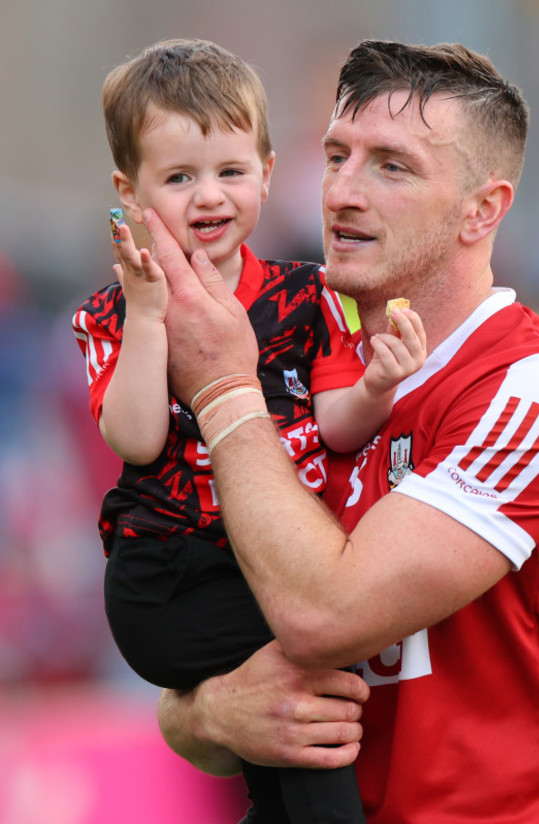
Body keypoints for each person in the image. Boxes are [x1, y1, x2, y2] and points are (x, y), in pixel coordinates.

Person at [151, 39, 539, 823]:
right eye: (336, 155)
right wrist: (208, 716)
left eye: (392, 167)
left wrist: (223, 388)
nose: (342, 191)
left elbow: (322, 617)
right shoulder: (294, 370)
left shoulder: (538, 386)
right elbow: (185, 657)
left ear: (484, 208)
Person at [72, 38, 427, 824]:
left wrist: (376, 384)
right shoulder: (113, 310)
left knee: (292, 752)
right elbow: (132, 439)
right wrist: (148, 315)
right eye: (178, 178)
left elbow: (334, 430)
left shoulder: (308, 297)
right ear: (130, 194)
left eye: (230, 172)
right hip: (168, 576)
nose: (209, 197)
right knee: (316, 674)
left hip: (272, 565)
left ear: (267, 172)